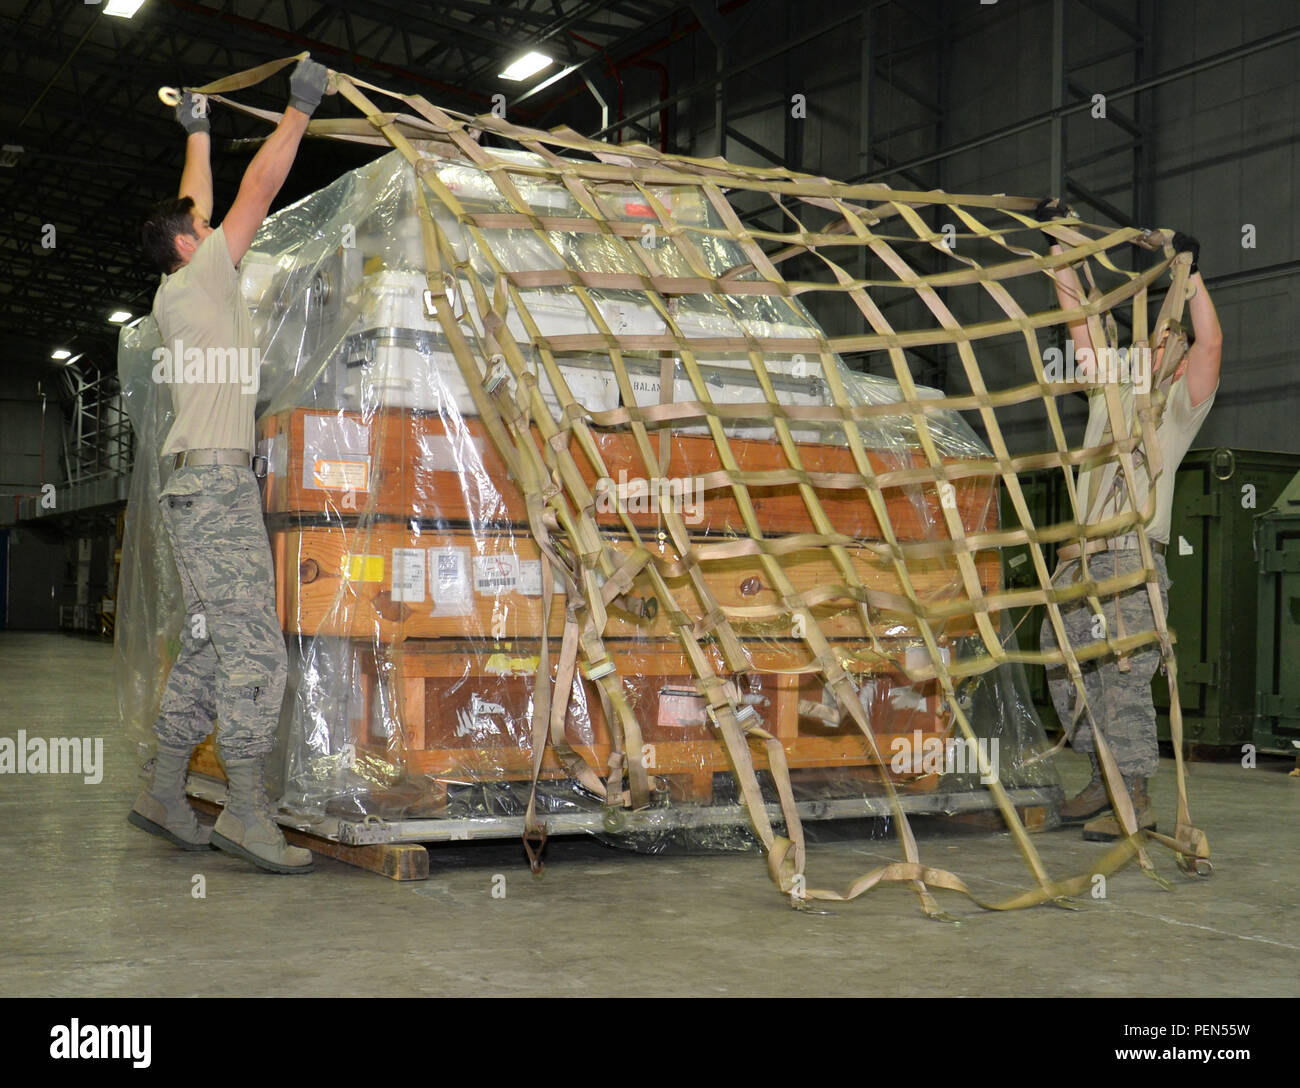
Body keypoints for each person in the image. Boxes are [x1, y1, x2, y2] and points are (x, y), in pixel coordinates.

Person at [127, 58, 329, 873]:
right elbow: (256, 194)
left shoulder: (181, 287)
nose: (217, 233)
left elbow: (201, 202)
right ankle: (247, 811)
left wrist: (200, 129)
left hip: (198, 486)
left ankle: (164, 791)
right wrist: (299, 110)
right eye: (202, 230)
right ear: (190, 247)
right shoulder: (206, 276)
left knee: (211, 645)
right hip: (215, 488)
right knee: (256, 652)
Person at [1036, 200, 1222, 841]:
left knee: (1122, 674)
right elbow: (1080, 321)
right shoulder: (1114, 383)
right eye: (1157, 334)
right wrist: (1059, 239)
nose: (1163, 339)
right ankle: (1101, 777)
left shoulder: (1180, 408)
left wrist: (1189, 272)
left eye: (1174, 336)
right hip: (1080, 559)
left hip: (1131, 557)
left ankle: (1134, 792)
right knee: (1062, 663)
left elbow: (1213, 342)